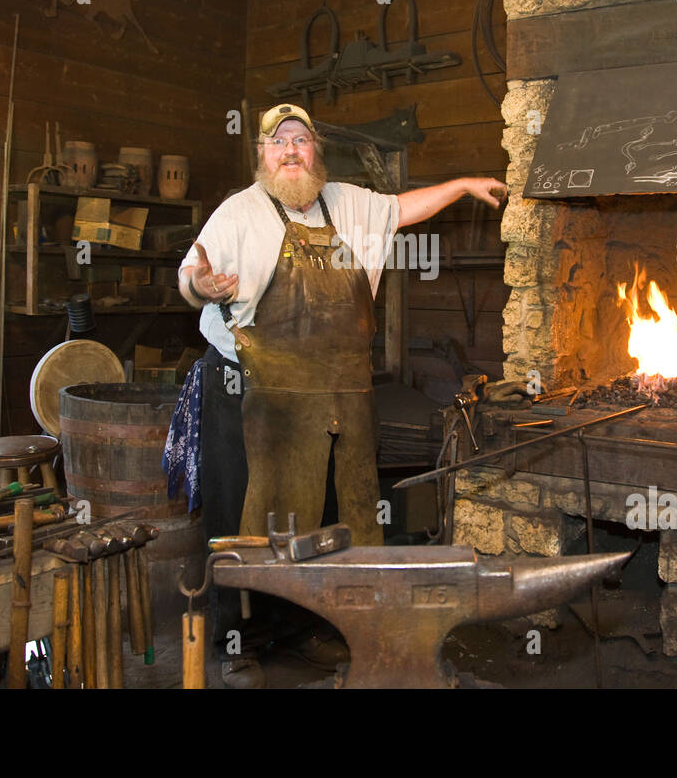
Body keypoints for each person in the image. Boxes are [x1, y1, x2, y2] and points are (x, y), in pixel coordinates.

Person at [175, 102, 506, 686]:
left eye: (301, 140)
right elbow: (190, 275)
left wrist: (461, 185)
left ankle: (307, 627)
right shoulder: (239, 214)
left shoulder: (347, 203)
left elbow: (402, 210)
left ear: (316, 153)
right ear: (262, 156)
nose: (291, 151)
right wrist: (202, 284)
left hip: (333, 396)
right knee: (243, 517)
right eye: (279, 143)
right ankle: (237, 641)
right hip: (251, 392)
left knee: (331, 514)